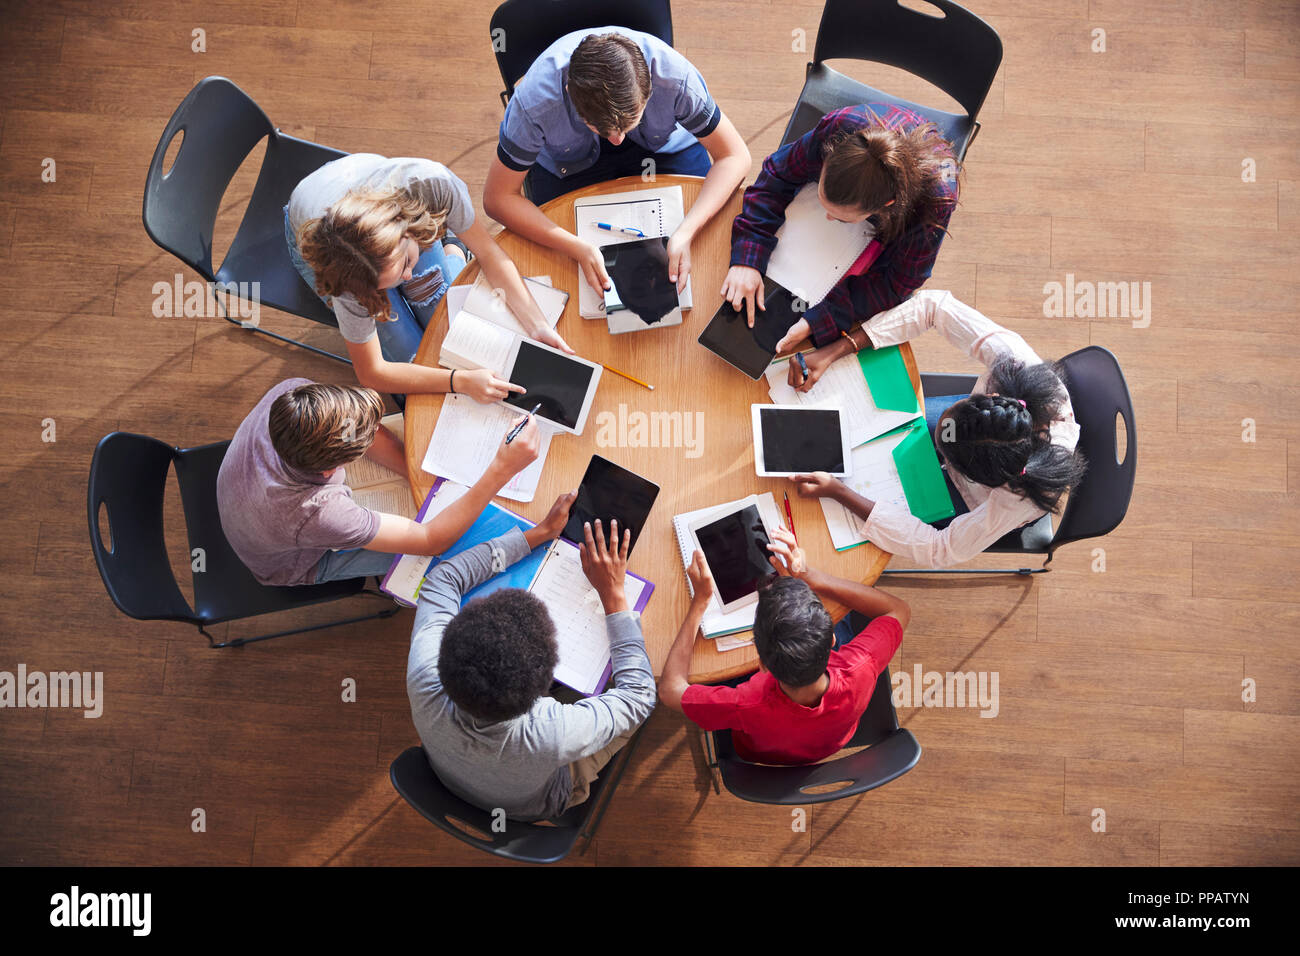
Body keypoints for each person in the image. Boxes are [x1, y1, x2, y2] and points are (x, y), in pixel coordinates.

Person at [788, 291, 1087, 568]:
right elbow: (934, 306)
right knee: (867, 418)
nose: (937, 442)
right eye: (945, 422)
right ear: (993, 397)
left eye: (945, 450)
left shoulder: (1016, 499)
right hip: (978, 436)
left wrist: (840, 493)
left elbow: (940, 549)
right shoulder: (1016, 364)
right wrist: (840, 348)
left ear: (981, 479)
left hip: (971, 496)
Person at [408, 517, 656, 821]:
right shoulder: (551, 731)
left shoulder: (424, 677)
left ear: (443, 652)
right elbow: (640, 696)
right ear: (544, 689)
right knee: (630, 711)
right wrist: (614, 595)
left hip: (448, 777)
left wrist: (535, 535)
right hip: (537, 803)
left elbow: (441, 580)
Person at [484, 28, 751, 300]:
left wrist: (685, 232)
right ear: (569, 94)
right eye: (601, 128)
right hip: (570, 165)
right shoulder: (533, 105)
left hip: (663, 149)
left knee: (709, 253)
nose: (617, 141)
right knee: (563, 279)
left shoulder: (674, 77)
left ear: (650, 89)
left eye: (628, 124)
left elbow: (735, 156)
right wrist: (577, 247)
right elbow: (497, 198)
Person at [287, 153, 572, 398]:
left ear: (406, 229)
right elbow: (372, 372)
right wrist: (456, 381)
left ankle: (454, 249)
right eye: (386, 285)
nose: (408, 278)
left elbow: (489, 253)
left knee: (445, 316)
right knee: (415, 358)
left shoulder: (432, 184)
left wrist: (537, 325)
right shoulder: (345, 273)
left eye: (408, 262)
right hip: (314, 231)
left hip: (366, 190)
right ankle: (449, 251)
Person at [216, 378, 540, 586]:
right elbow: (430, 540)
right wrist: (500, 470)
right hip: (286, 563)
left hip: (244, 497)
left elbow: (361, 431)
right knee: (452, 554)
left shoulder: (292, 398)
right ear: (329, 471)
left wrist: (423, 481)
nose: (371, 434)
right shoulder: (316, 513)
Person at [721, 104, 958, 356]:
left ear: (886, 205)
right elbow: (777, 175)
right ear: (826, 160)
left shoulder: (936, 201)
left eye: (841, 218)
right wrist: (749, 257)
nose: (827, 218)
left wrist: (821, 319)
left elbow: (899, 282)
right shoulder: (839, 127)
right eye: (822, 199)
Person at [658, 528, 910, 766]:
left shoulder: (745, 703)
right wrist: (814, 579)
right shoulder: (859, 666)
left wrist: (699, 604)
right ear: (832, 640)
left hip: (760, 752)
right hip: (833, 739)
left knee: (712, 670)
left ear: (761, 664)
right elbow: (899, 609)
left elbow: (670, 691)